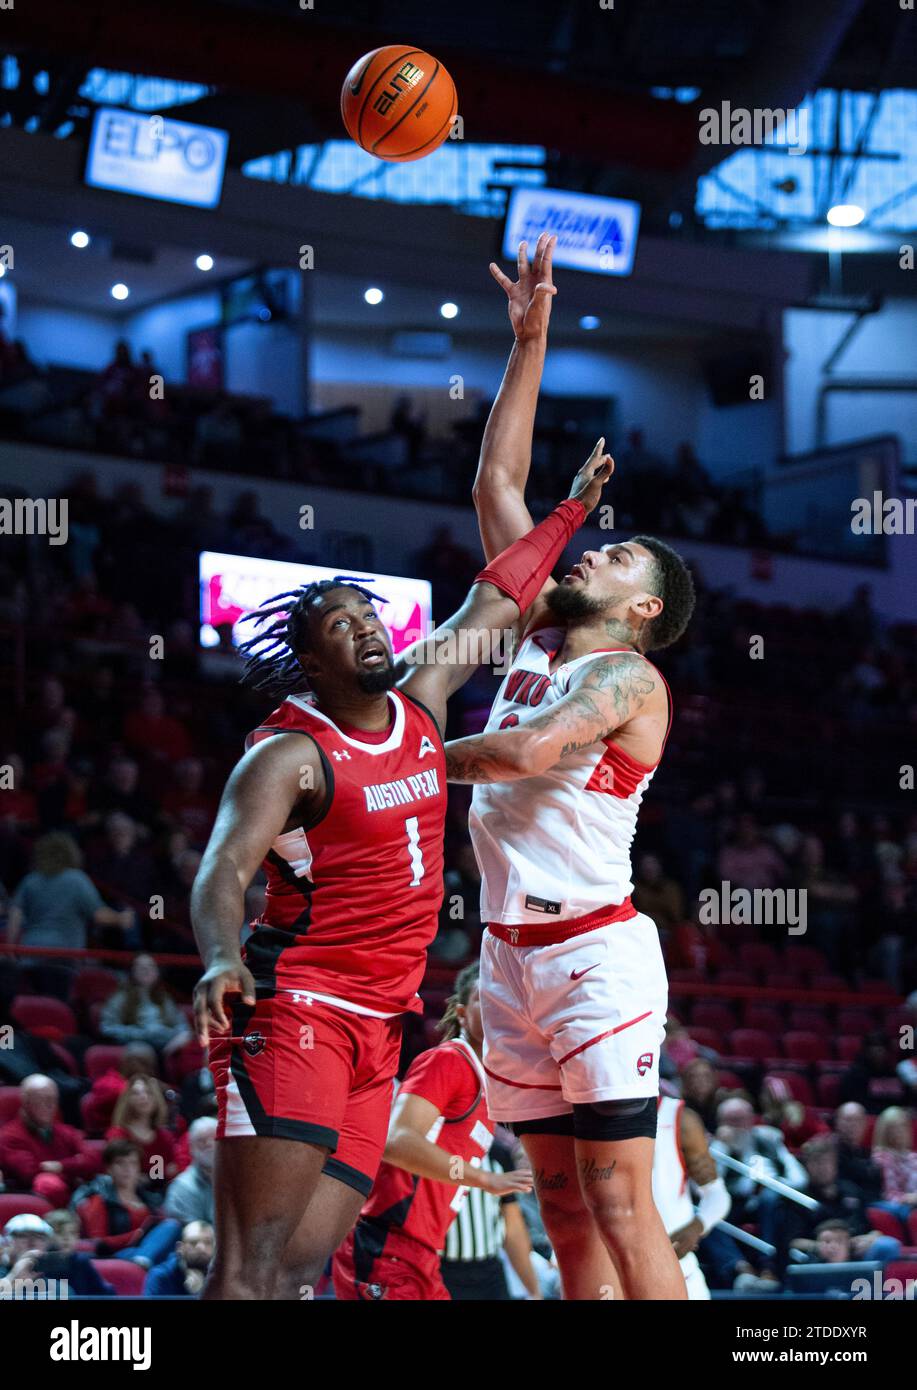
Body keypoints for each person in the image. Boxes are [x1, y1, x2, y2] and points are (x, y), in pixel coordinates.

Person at [191, 450, 609, 1300]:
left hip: (381, 1029)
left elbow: (501, 595)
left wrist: (567, 512)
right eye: (339, 627)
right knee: (249, 1269)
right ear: (311, 664)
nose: (366, 628)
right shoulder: (288, 757)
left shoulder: (422, 701)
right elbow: (223, 867)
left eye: (367, 614)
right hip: (299, 1008)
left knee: (303, 1269)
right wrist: (218, 956)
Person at [444, 233, 695, 1300]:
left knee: (619, 1203)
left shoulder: (627, 682)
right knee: (557, 1213)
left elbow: (527, 753)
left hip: (594, 957)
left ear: (641, 608)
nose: (593, 545)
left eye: (617, 552)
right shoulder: (542, 637)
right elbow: (497, 483)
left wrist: (391, 756)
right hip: (506, 957)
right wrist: (530, 339)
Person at [332, 963, 532, 1300]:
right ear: (462, 1014)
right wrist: (486, 1180)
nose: (499, 1007)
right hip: (386, 1246)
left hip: (421, 1256)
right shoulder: (449, 1061)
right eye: (487, 998)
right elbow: (397, 1141)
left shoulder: (488, 1087)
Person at [6, 833, 133, 992]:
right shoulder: (77, 880)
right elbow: (99, 915)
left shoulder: (31, 880)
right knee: (56, 1009)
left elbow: (14, 916)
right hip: (63, 956)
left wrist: (11, 949)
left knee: (35, 1006)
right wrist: (121, 918)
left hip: (32, 953)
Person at [71, 1138, 181, 1269]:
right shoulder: (99, 1201)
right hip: (117, 1257)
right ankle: (141, 1262)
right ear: (109, 1169)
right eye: (120, 1163)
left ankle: (144, 1260)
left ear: (139, 1168)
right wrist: (137, 1234)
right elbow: (97, 1244)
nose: (127, 1168)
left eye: (133, 1163)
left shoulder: (149, 1198)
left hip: (148, 1253)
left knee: (173, 1227)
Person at [0, 1074, 96, 1207]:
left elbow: (93, 1160)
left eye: (53, 1099)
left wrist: (60, 1166)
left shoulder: (66, 1131)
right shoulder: (10, 1135)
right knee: (48, 1183)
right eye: (41, 1100)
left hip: (74, 1197)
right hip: (32, 1200)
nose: (49, 1105)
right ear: (26, 1102)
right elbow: (30, 1172)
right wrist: (75, 1167)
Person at [100, 954, 193, 1055]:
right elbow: (107, 1028)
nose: (147, 971)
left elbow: (182, 1026)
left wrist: (172, 1036)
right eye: (142, 968)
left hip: (164, 1044)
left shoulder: (164, 998)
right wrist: (142, 1033)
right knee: (141, 1050)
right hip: (135, 1045)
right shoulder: (120, 998)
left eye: (151, 967)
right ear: (132, 971)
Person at [107, 1074, 178, 1185]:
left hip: (156, 1195)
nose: (143, 1097)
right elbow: (118, 1172)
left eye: (148, 1092)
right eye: (136, 1093)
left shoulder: (164, 1137)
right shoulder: (118, 1135)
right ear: (127, 1100)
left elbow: (160, 1175)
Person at [42, 1209, 116, 1295]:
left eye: (72, 1233)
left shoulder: (81, 1262)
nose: (67, 1238)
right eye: (59, 1232)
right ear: (47, 1236)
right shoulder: (41, 1264)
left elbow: (105, 1293)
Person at [163, 1117, 216, 1226]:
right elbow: (196, 1237)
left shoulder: (239, 1181)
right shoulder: (181, 1188)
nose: (209, 1144)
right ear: (191, 1148)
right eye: (201, 1140)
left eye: (215, 1138)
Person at [871, 1107, 917, 1227]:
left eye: (903, 1126)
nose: (900, 1131)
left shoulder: (913, 1157)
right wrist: (909, 1198)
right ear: (885, 1131)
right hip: (900, 1206)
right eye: (894, 1128)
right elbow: (889, 1194)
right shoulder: (882, 1157)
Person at [145, 1219, 215, 1297]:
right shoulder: (160, 1276)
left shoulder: (222, 1275)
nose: (201, 1248)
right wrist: (195, 1295)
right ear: (180, 1248)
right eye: (193, 1242)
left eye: (208, 1242)